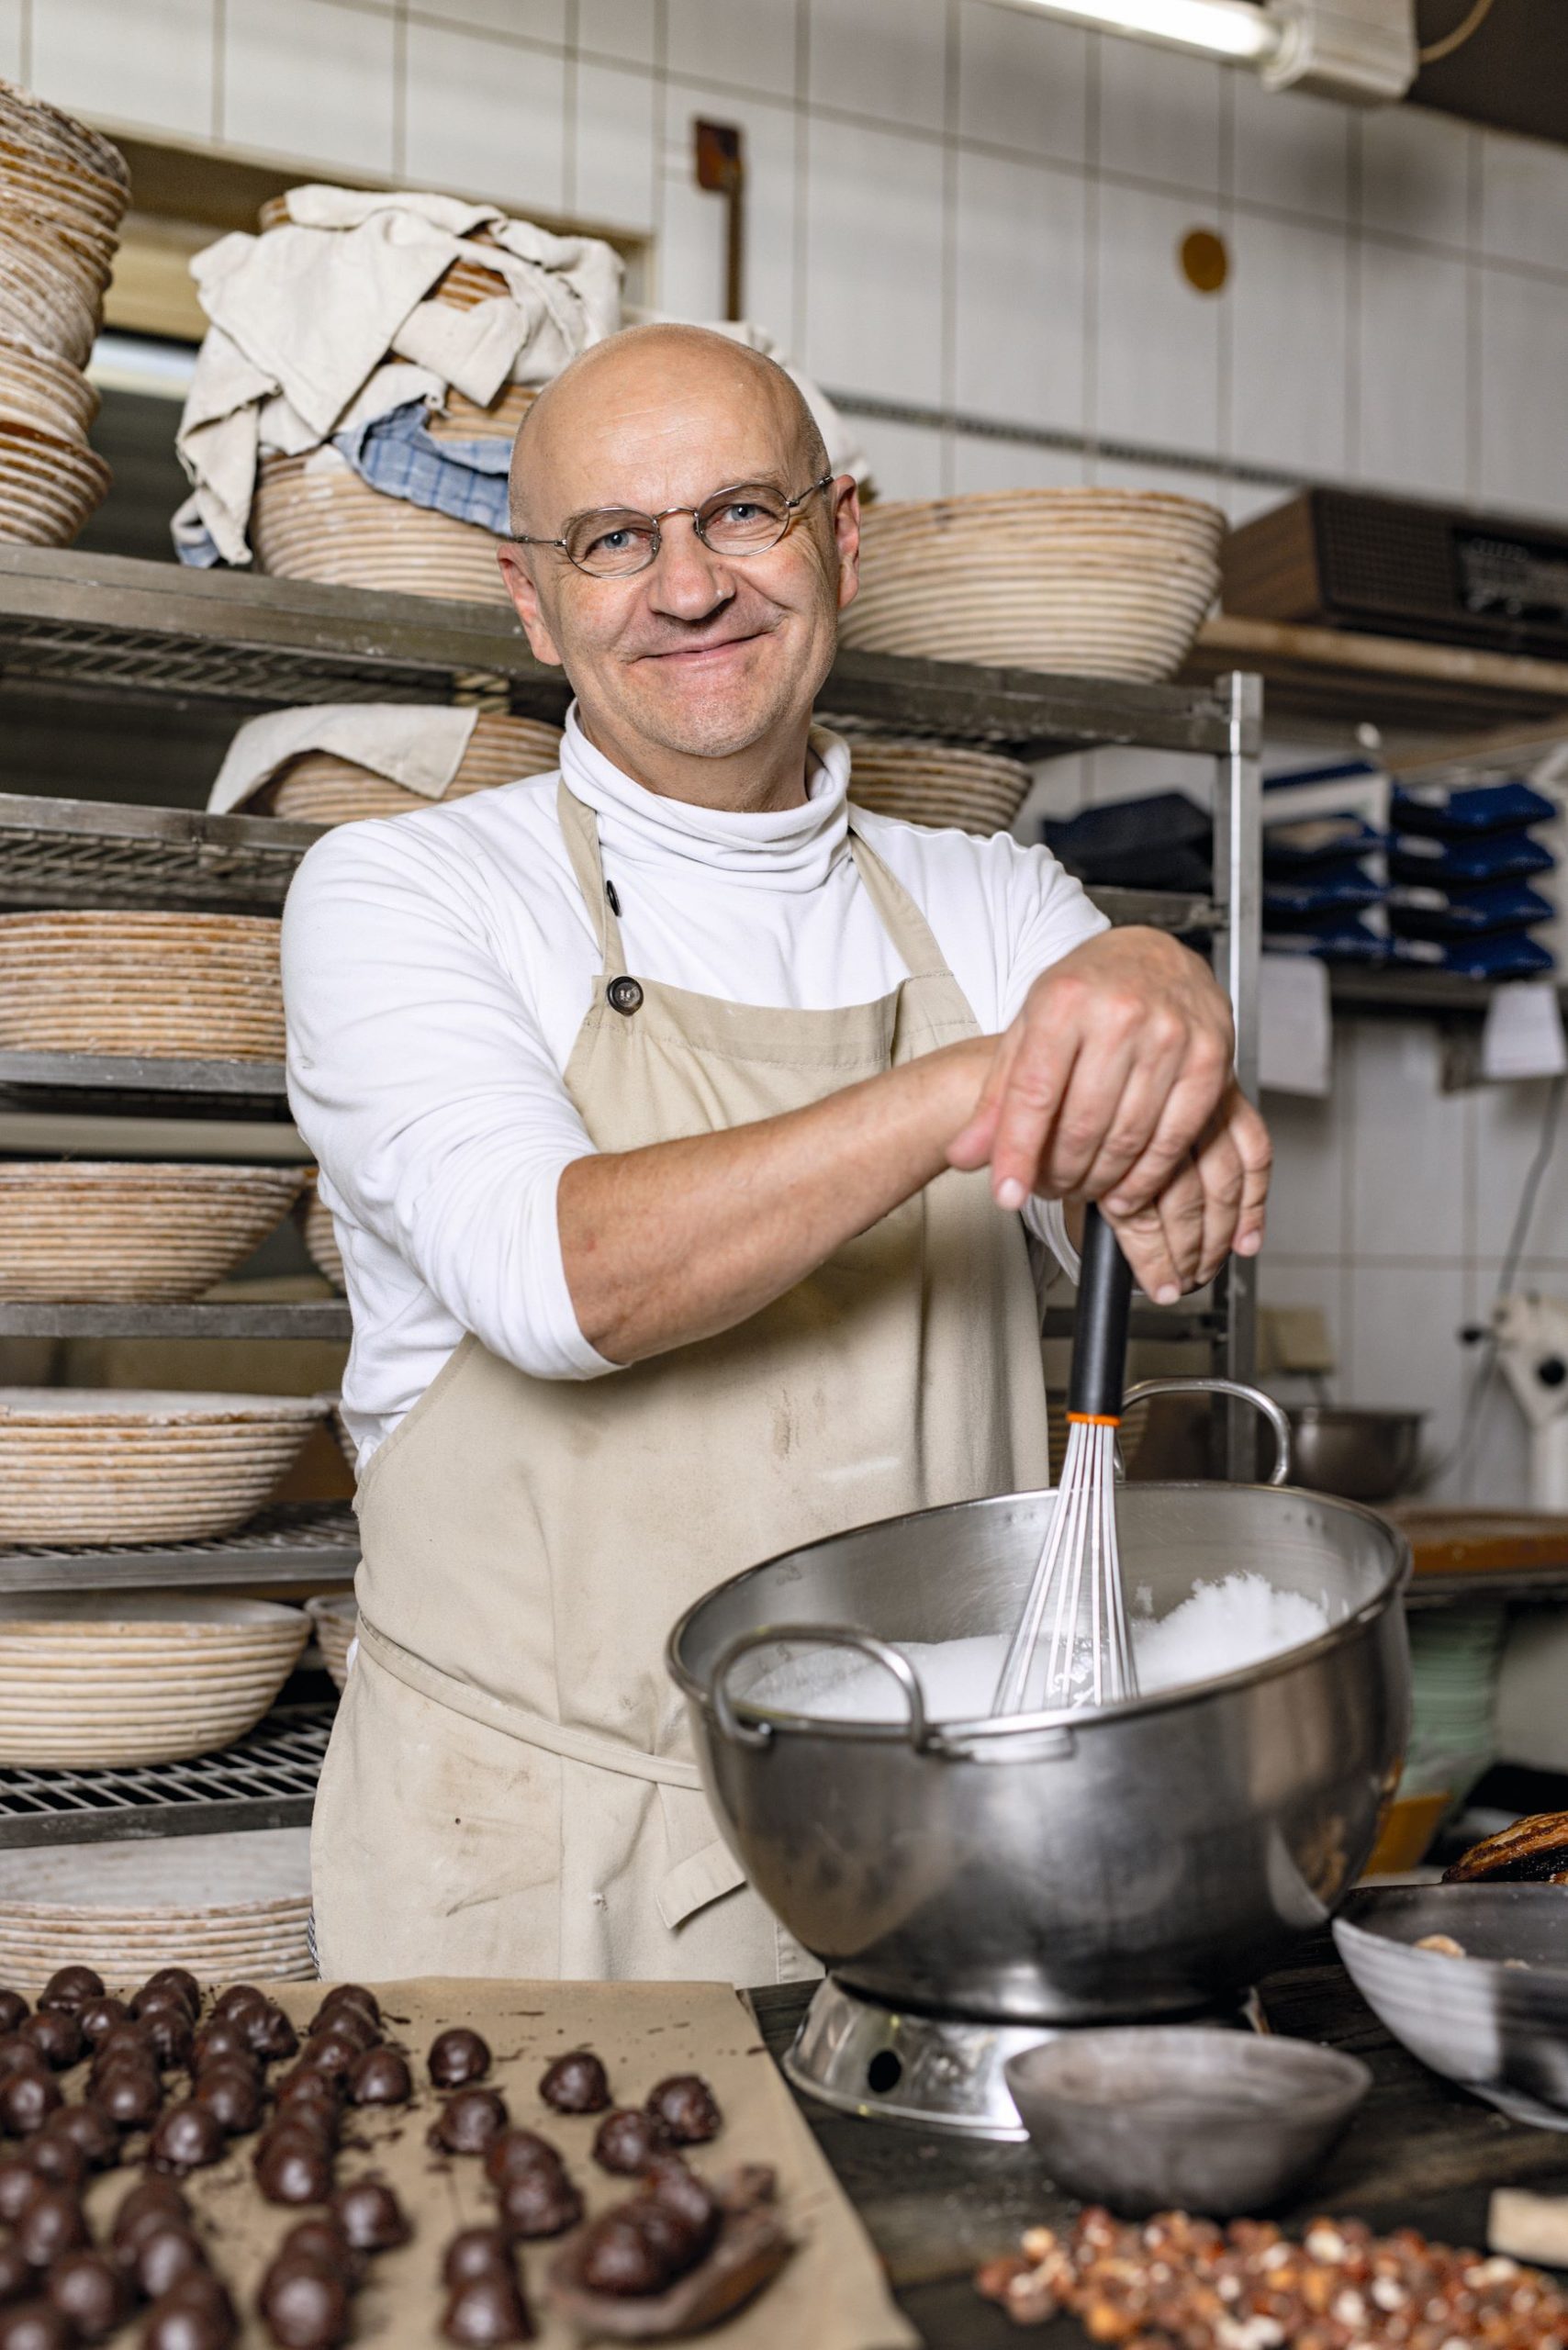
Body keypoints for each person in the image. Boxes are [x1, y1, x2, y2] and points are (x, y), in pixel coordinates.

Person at [284, 323, 1271, 1985]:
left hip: (945, 1852)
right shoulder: (406, 893)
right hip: (533, 1875)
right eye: (614, 540)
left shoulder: (993, 900)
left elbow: (1168, 1217)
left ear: (843, 538)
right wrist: (977, 1086)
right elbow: (560, 1278)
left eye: (743, 512)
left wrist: (1168, 992)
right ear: (533, 602)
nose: (688, 588)